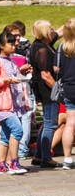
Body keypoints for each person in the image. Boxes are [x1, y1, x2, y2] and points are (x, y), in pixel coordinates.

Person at [0, 31, 32, 174]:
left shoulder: (10, 60)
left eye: (14, 44)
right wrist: (6, 80)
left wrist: (21, 72)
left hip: (13, 104)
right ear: (1, 46)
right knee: (18, 130)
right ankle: (13, 162)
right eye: (10, 44)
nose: (14, 46)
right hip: (3, 105)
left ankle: (1, 165)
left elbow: (14, 76)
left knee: (6, 135)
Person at [27, 20, 59, 168]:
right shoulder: (42, 50)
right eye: (50, 28)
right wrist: (58, 90)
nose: (53, 30)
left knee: (47, 123)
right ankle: (46, 157)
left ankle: (39, 156)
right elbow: (46, 75)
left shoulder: (41, 45)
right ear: (45, 32)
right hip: (48, 92)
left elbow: (60, 32)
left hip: (45, 91)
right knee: (50, 124)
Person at [55, 20, 75, 170]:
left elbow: (56, 69)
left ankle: (67, 158)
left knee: (70, 124)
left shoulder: (62, 47)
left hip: (68, 88)